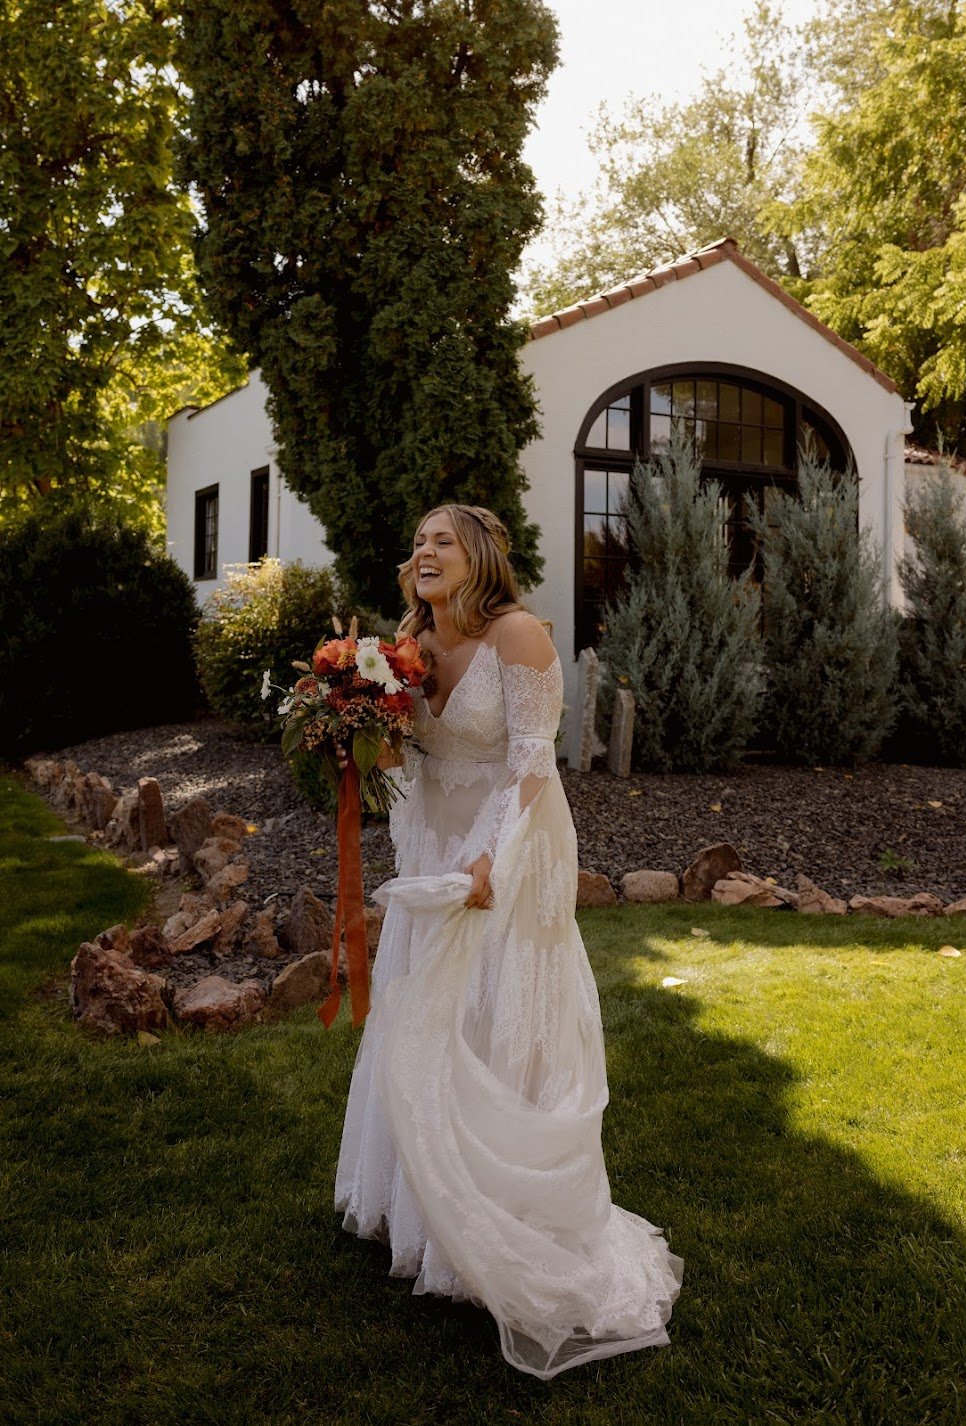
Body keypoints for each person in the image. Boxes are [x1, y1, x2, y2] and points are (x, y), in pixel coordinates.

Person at [334, 503, 683, 1379]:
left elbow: (533, 760)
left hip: (513, 839)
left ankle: (504, 1209)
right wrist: (357, 731)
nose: (423, 551)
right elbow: (407, 760)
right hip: (434, 837)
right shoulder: (405, 645)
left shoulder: (520, 636)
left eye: (441, 541)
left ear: (480, 555)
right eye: (415, 541)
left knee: (492, 1007)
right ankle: (421, 1206)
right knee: (424, 1006)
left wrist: (494, 856)